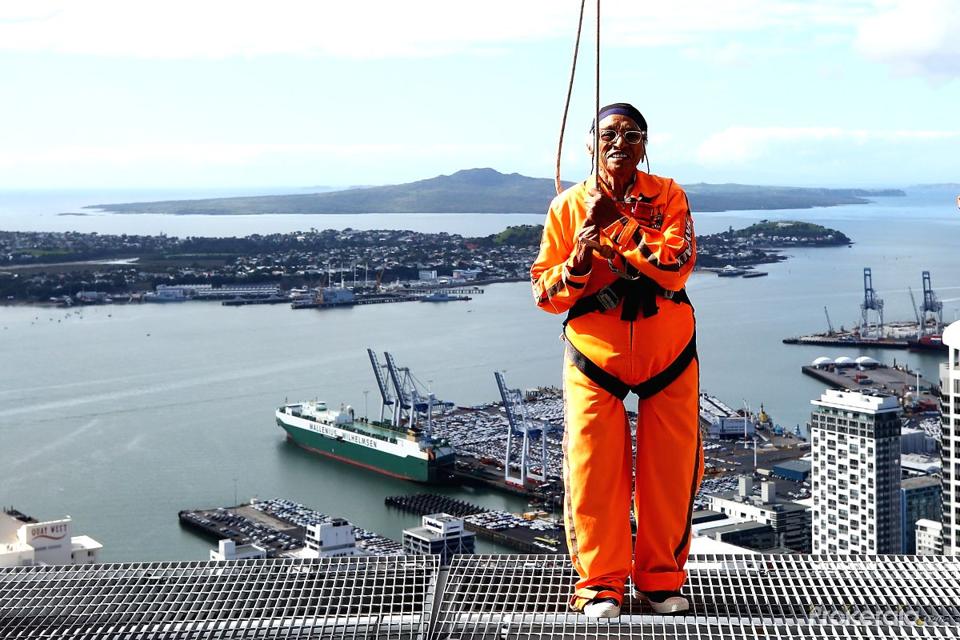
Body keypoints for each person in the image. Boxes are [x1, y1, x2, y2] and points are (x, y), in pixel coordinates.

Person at [531, 102, 703, 618]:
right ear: (591, 143)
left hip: (667, 349)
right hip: (594, 353)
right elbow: (545, 293)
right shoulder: (568, 208)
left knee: (670, 471)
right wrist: (580, 262)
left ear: (645, 146)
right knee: (591, 469)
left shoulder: (668, 195)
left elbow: (676, 265)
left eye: (632, 135)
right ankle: (599, 585)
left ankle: (659, 581)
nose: (620, 143)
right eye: (609, 134)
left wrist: (618, 225)